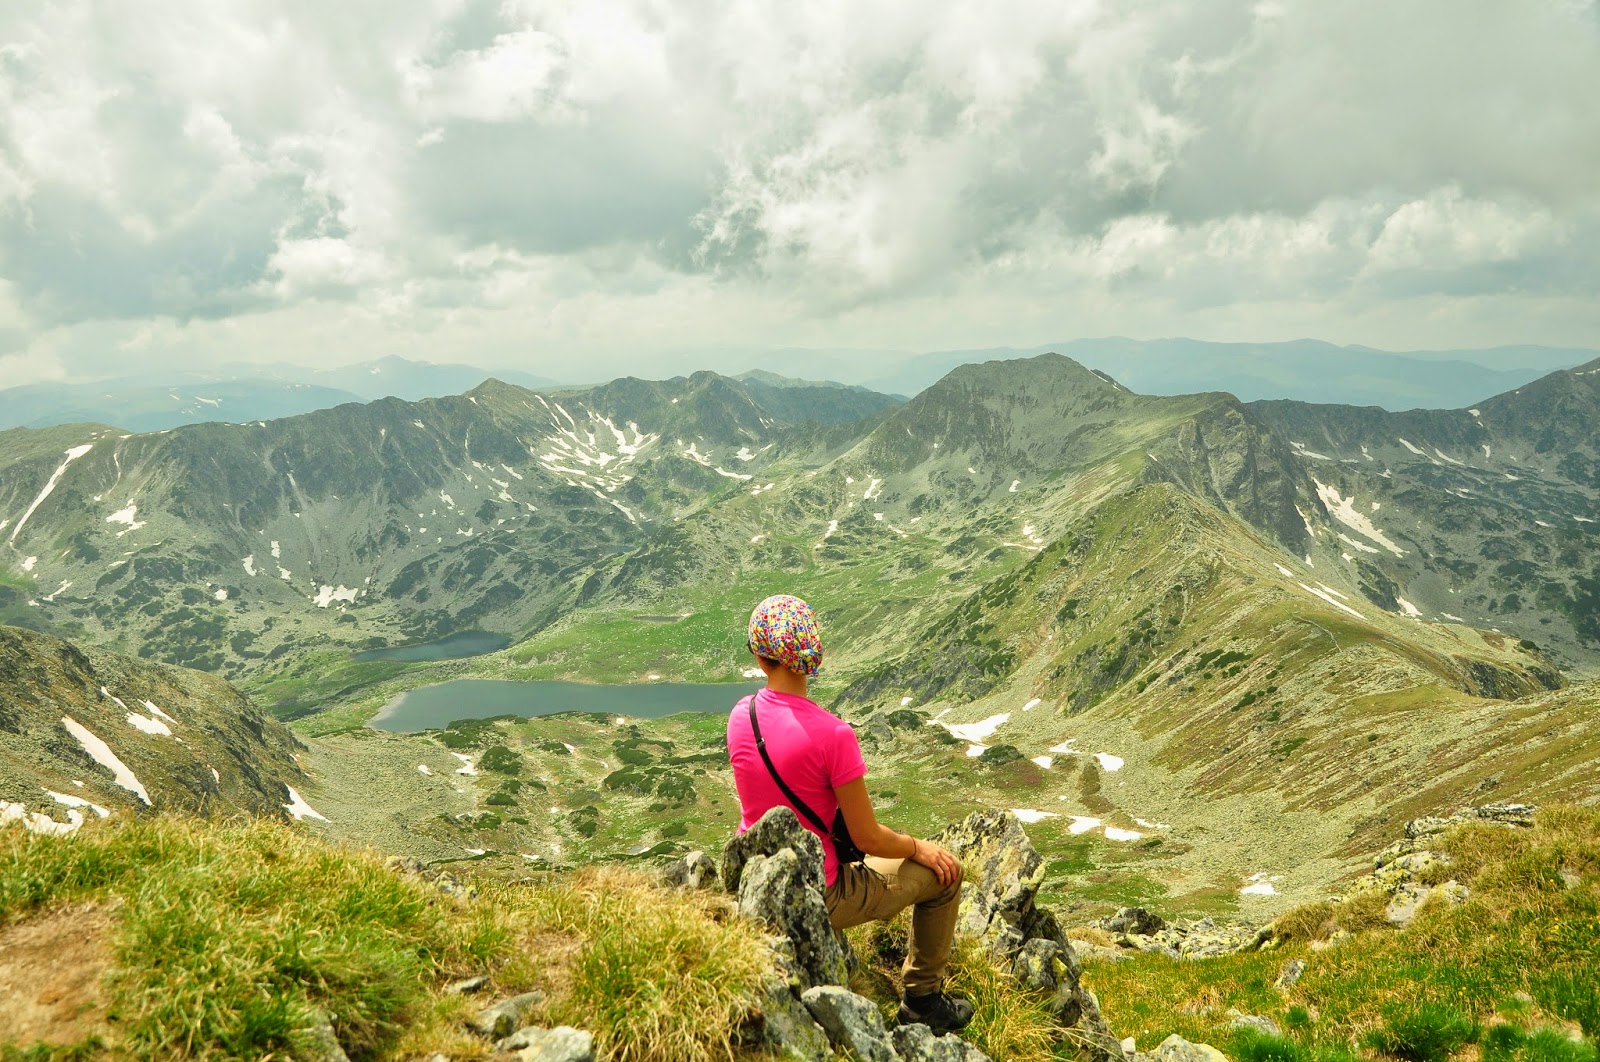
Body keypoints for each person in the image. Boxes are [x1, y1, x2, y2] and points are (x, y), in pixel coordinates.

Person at [727, 593, 975, 1034]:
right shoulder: (833, 735)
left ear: (761, 659)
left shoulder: (739, 716)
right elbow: (868, 839)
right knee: (945, 876)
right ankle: (922, 1003)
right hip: (819, 892)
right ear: (813, 657)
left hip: (756, 880)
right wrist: (920, 848)